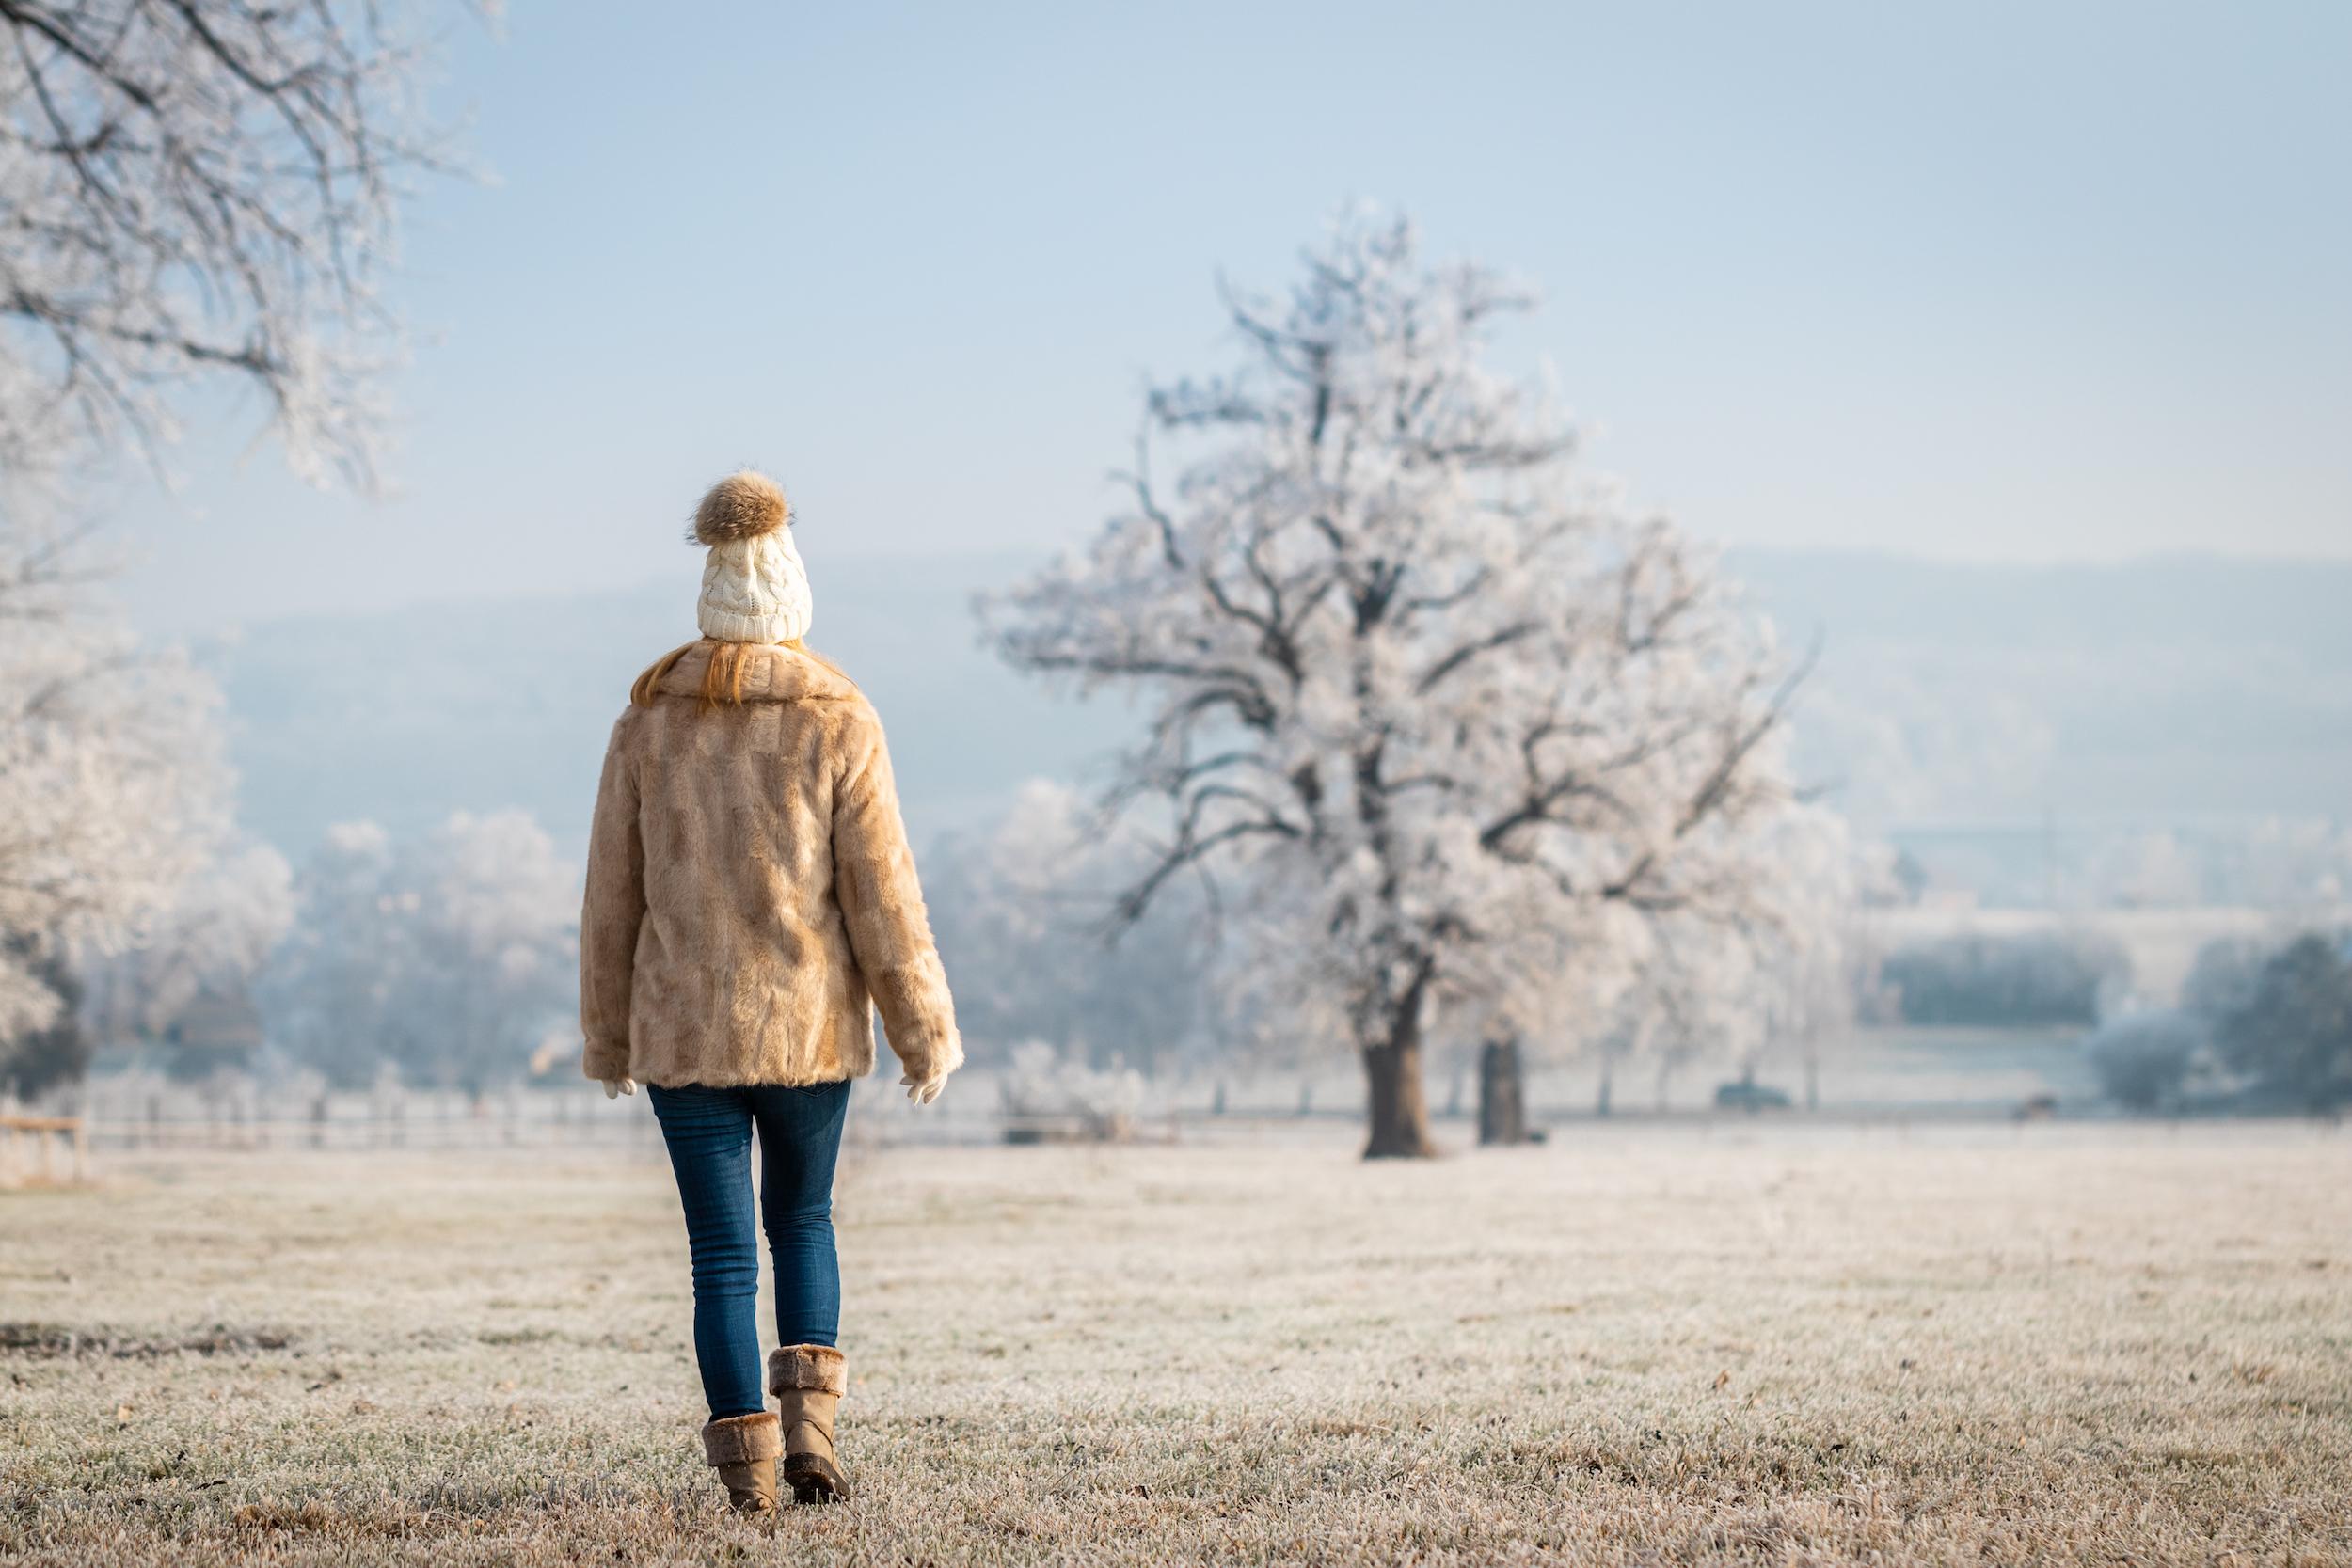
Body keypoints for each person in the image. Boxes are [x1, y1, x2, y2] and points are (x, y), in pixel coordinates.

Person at [579, 470, 961, 1512]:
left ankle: (745, 1476)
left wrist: (609, 1038)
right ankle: (813, 1435)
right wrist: (924, 1030)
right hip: (806, 1028)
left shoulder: (646, 724)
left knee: (719, 1255)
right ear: (793, 602)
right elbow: (885, 896)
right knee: (803, 1218)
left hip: (681, 1031)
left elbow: (610, 897)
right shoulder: (840, 721)